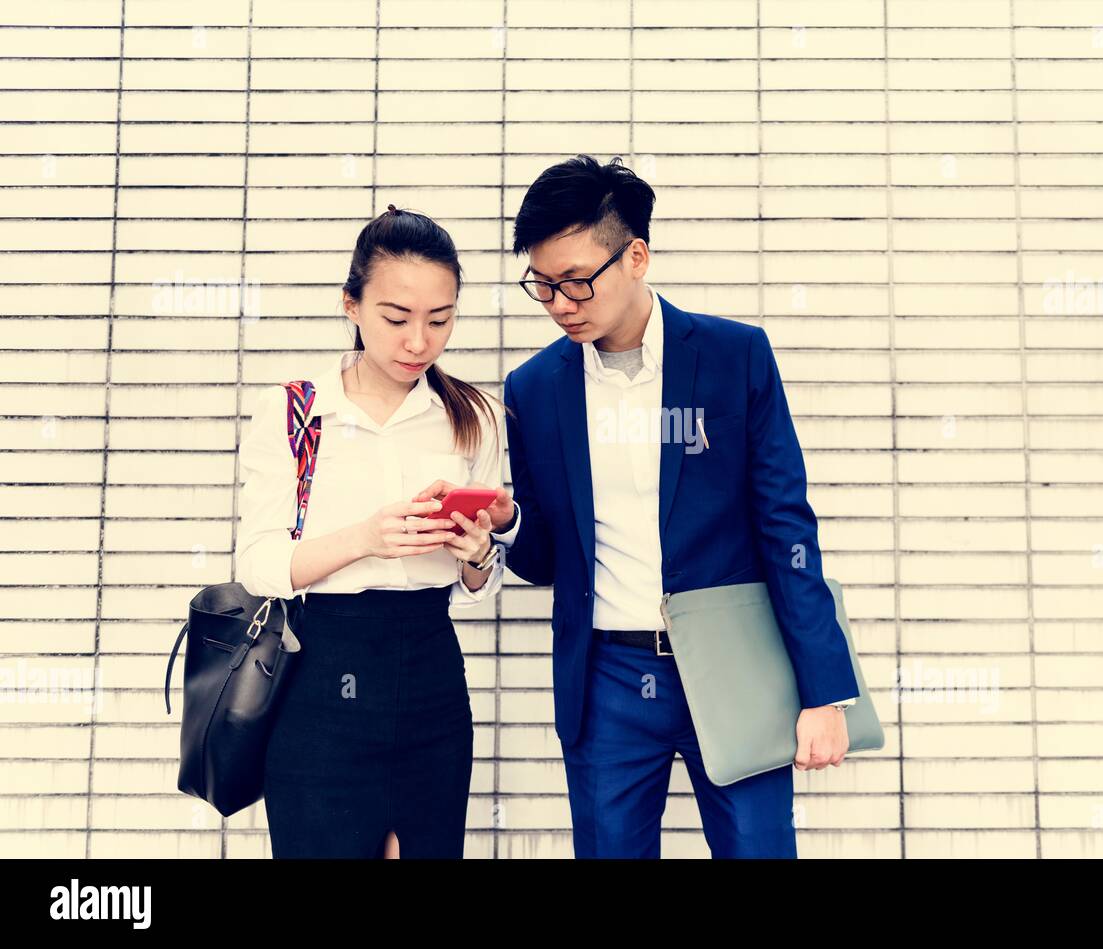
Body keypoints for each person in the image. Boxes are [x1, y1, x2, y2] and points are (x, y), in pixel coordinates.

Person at [416, 156, 859, 858]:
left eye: (576, 279)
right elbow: (541, 560)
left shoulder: (733, 357)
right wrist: (503, 526)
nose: (561, 302)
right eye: (543, 284)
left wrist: (825, 690)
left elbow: (786, 524)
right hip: (610, 678)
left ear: (637, 256)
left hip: (735, 665)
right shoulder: (534, 388)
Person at [234, 205, 508, 859]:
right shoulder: (295, 410)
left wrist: (475, 555)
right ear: (351, 305)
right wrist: (366, 537)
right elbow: (260, 562)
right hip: (321, 672)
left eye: (440, 320)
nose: (419, 340)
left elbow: (481, 582)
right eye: (396, 318)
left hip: (431, 671)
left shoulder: (474, 415)